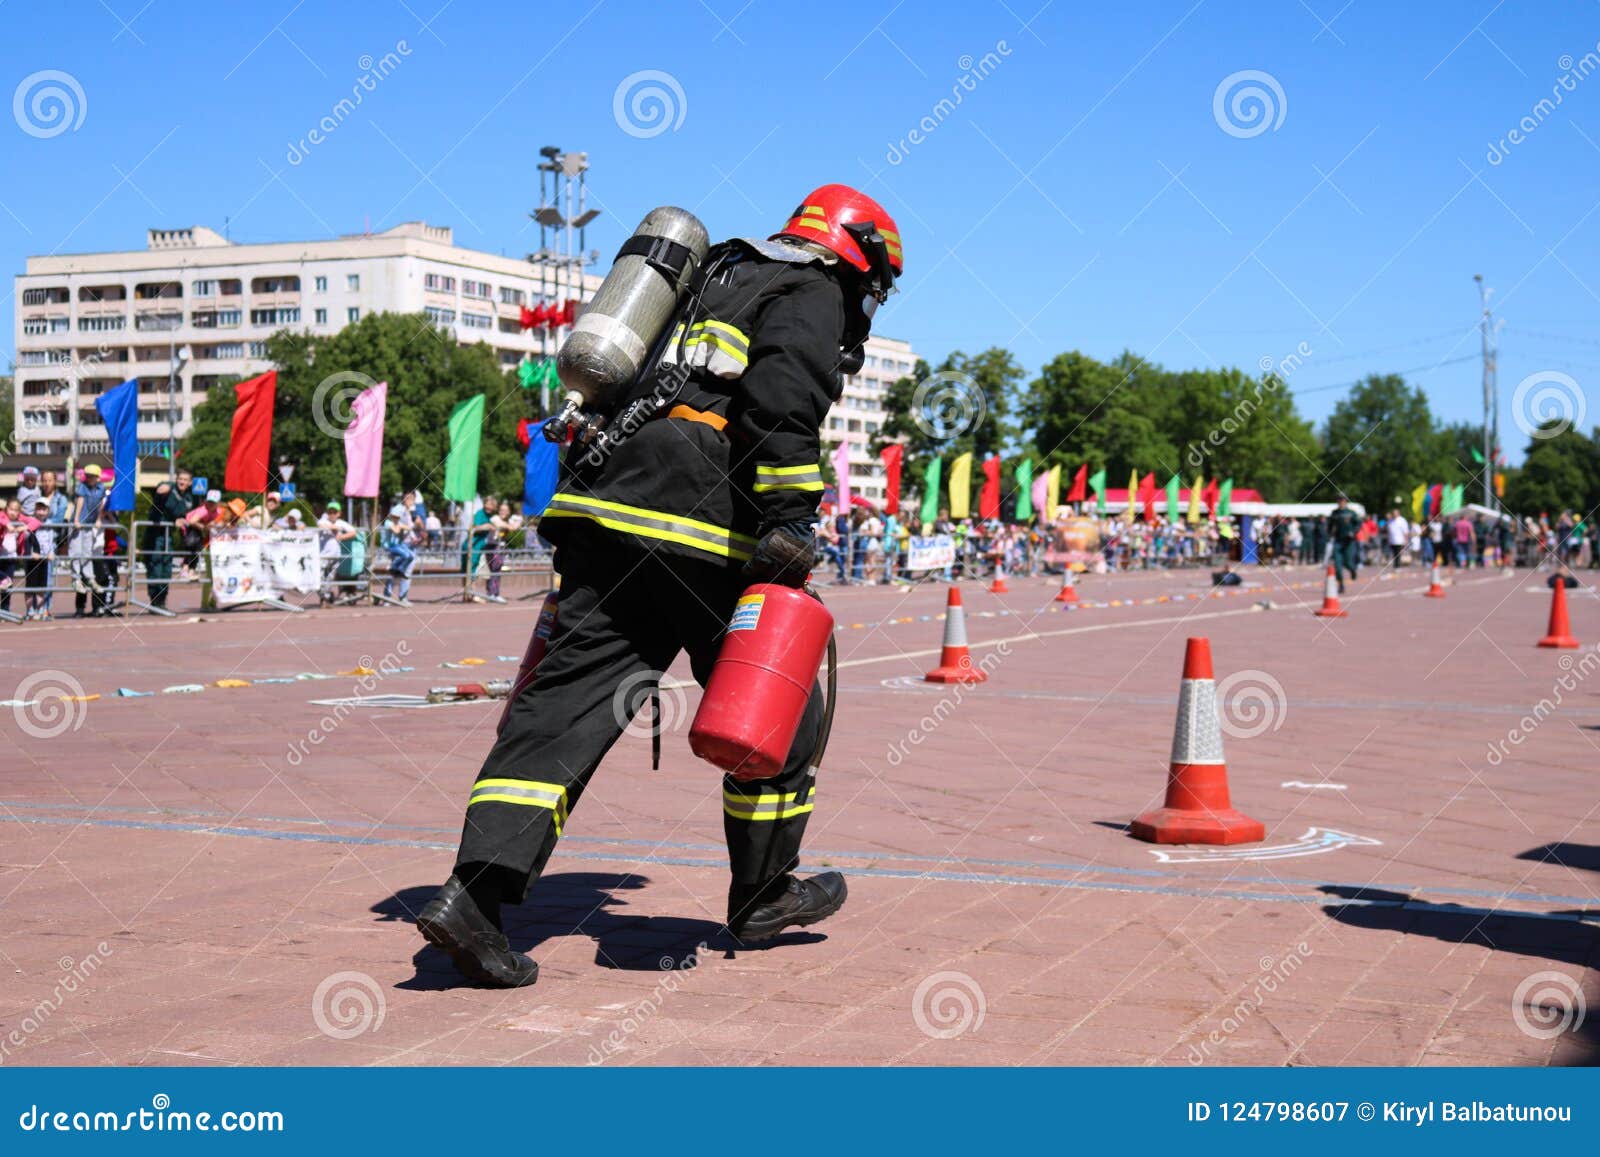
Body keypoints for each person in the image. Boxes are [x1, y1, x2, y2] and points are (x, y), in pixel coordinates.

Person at [417, 184, 903, 986]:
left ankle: (473, 897)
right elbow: (783, 399)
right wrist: (788, 516)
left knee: (561, 712)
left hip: (604, 513)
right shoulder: (810, 286)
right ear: (858, 262)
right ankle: (762, 895)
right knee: (783, 714)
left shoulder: (710, 272)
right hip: (703, 535)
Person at [69, 464, 110, 618]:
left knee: (87, 552)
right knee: (76, 551)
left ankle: (89, 578)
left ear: (98, 477)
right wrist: (76, 519)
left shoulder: (101, 489)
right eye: (88, 475)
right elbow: (79, 502)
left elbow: (101, 505)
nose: (90, 478)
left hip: (89, 524)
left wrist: (99, 519)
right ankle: (76, 578)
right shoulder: (82, 487)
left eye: (93, 476)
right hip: (79, 523)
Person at [144, 479, 191, 610]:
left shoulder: (187, 496)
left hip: (168, 536)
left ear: (190, 482)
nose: (182, 482)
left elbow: (182, 514)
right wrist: (165, 488)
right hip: (155, 535)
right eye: (180, 479)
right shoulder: (169, 488)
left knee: (166, 569)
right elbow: (161, 490)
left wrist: (180, 519)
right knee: (156, 567)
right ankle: (155, 602)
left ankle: (162, 601)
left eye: (186, 480)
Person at [1328, 495, 1359, 593]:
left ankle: (1352, 570)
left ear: (1346, 501)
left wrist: (1353, 532)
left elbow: (1358, 524)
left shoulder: (1351, 513)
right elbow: (1330, 525)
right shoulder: (1334, 513)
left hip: (1349, 541)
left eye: (1343, 500)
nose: (1341, 502)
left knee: (1348, 562)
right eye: (1339, 500)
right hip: (1338, 541)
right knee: (1337, 565)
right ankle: (1341, 584)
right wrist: (1329, 534)